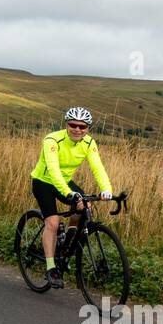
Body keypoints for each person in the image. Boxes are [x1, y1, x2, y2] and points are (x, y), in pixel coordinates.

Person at [30, 106, 113, 288]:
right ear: (66, 125)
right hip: (44, 182)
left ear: (88, 128)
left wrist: (106, 188)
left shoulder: (89, 143)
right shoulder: (52, 140)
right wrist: (69, 193)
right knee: (52, 223)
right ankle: (51, 267)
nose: (77, 129)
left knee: (85, 208)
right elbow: (53, 170)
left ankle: (67, 247)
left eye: (82, 127)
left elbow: (97, 168)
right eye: (73, 125)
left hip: (65, 182)